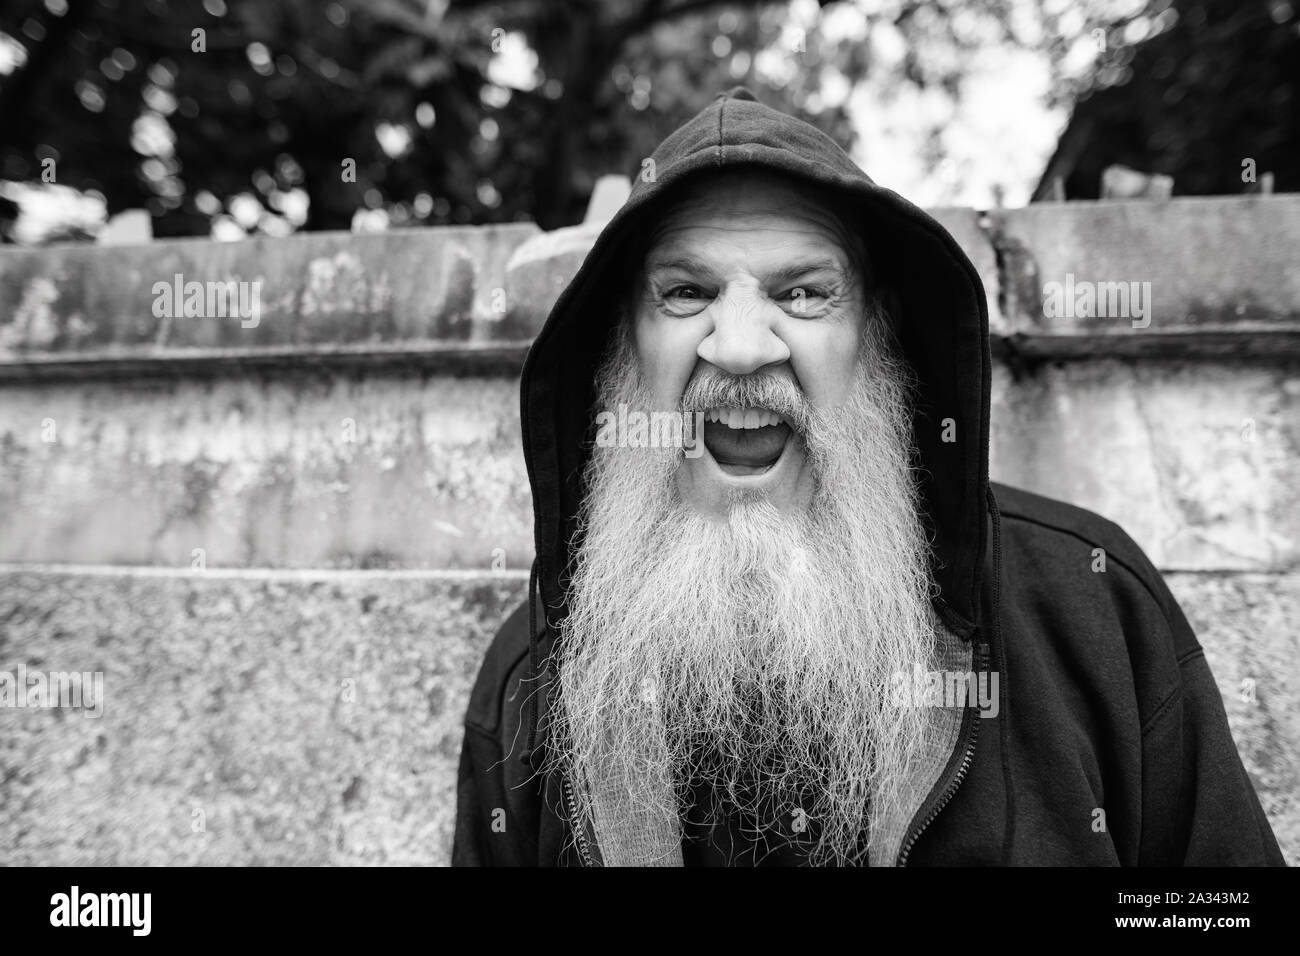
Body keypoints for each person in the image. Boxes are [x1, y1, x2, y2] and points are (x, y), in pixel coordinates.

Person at [452, 87, 1283, 866]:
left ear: (879, 337)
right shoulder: (532, 675)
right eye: (684, 292)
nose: (740, 346)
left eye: (806, 294)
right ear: (619, 348)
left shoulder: (1092, 605)